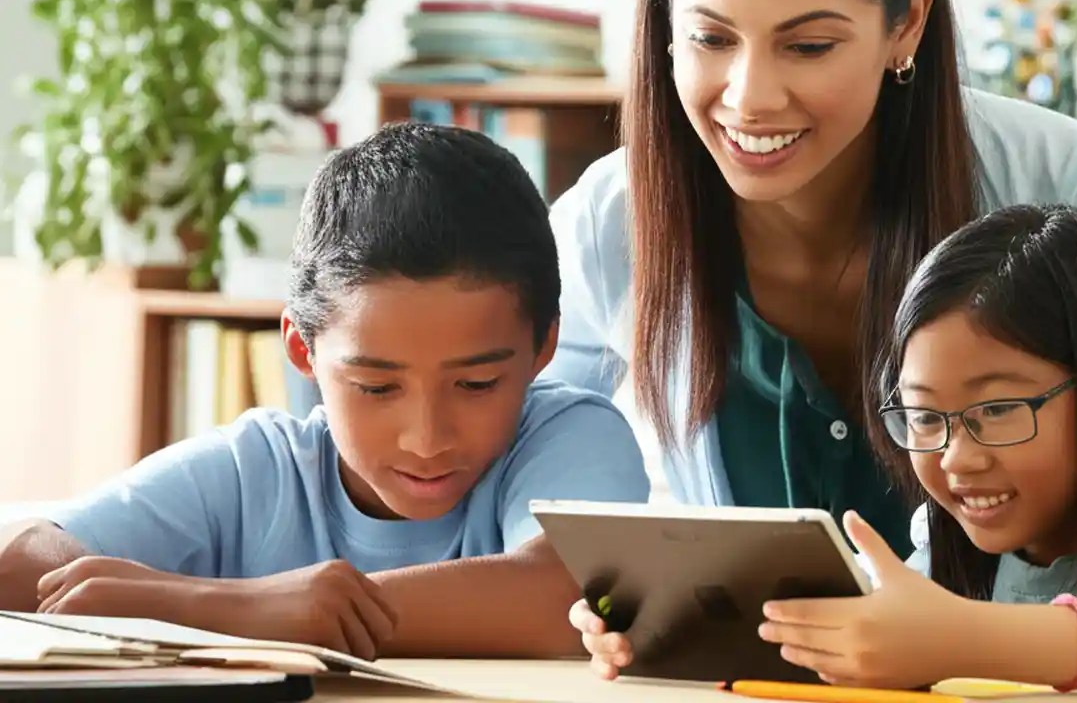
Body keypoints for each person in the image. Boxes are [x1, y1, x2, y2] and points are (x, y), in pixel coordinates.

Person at [545, 0, 1077, 566]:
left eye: (808, 46)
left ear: (909, 20)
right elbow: (528, 441)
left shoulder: (1059, 184)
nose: (750, 97)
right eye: (712, 40)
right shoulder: (612, 217)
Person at [0, 123, 651, 660]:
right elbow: (26, 560)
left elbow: (561, 599)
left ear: (544, 347)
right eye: (375, 386)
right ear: (302, 350)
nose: (426, 437)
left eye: (477, 383)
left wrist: (223, 606)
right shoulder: (253, 469)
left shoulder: (572, 437)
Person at [765, 205, 1077, 690]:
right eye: (923, 417)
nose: (957, 458)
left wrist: (956, 637)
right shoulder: (947, 558)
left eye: (997, 410)